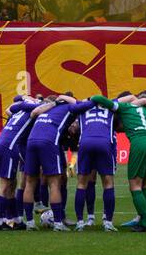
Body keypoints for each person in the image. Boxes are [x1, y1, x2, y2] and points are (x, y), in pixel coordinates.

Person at [89, 91, 146, 231]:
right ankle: (142, 219)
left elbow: (98, 98)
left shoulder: (125, 108)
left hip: (140, 143)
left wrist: (125, 102)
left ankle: (145, 223)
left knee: (135, 185)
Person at [22, 93, 95, 229]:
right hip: (49, 142)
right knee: (55, 182)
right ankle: (58, 222)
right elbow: (84, 104)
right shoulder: (69, 108)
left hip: (31, 141)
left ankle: (30, 223)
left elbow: (34, 113)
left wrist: (55, 102)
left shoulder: (47, 107)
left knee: (30, 182)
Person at [0, 94, 52, 229]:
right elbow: (37, 109)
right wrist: (53, 104)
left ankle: (17, 220)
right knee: (4, 185)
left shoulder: (17, 110)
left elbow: (10, 108)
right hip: (9, 147)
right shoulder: (31, 109)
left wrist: (27, 99)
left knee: (12, 184)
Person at [74, 92, 119, 231]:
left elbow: (69, 99)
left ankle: (81, 222)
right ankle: (108, 223)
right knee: (108, 182)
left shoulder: (82, 107)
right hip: (104, 143)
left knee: (82, 183)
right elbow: (129, 98)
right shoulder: (111, 107)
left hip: (85, 142)